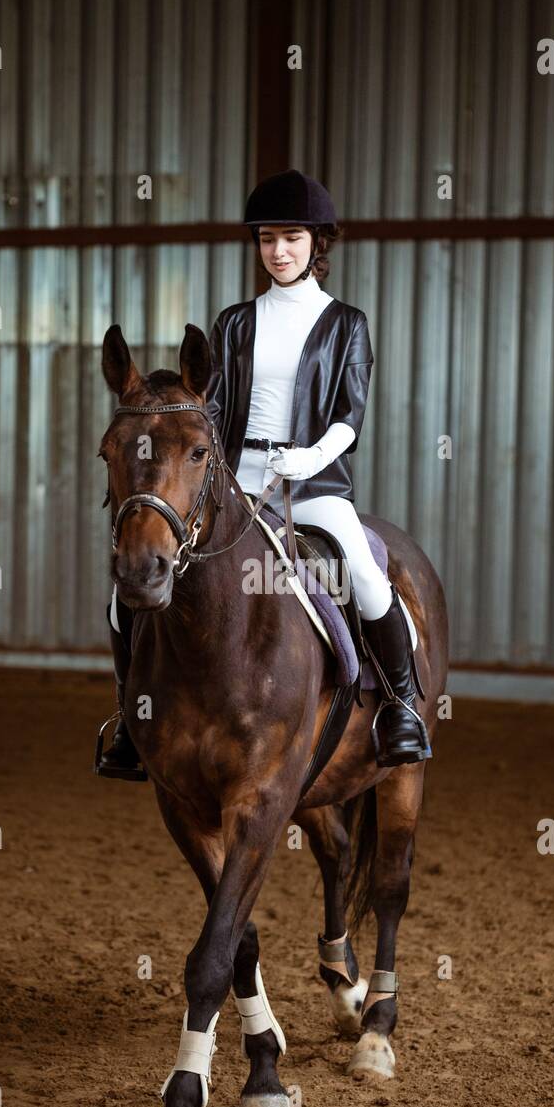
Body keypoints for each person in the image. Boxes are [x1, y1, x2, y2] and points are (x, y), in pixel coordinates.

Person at [97, 169, 430, 778]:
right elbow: (211, 410)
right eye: (269, 239)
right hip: (237, 478)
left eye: (292, 239)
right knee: (131, 595)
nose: (279, 251)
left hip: (316, 483)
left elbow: (350, 416)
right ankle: (128, 717)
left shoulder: (346, 324)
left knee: (364, 573)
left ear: (316, 245)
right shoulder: (234, 323)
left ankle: (401, 710)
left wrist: (308, 458)